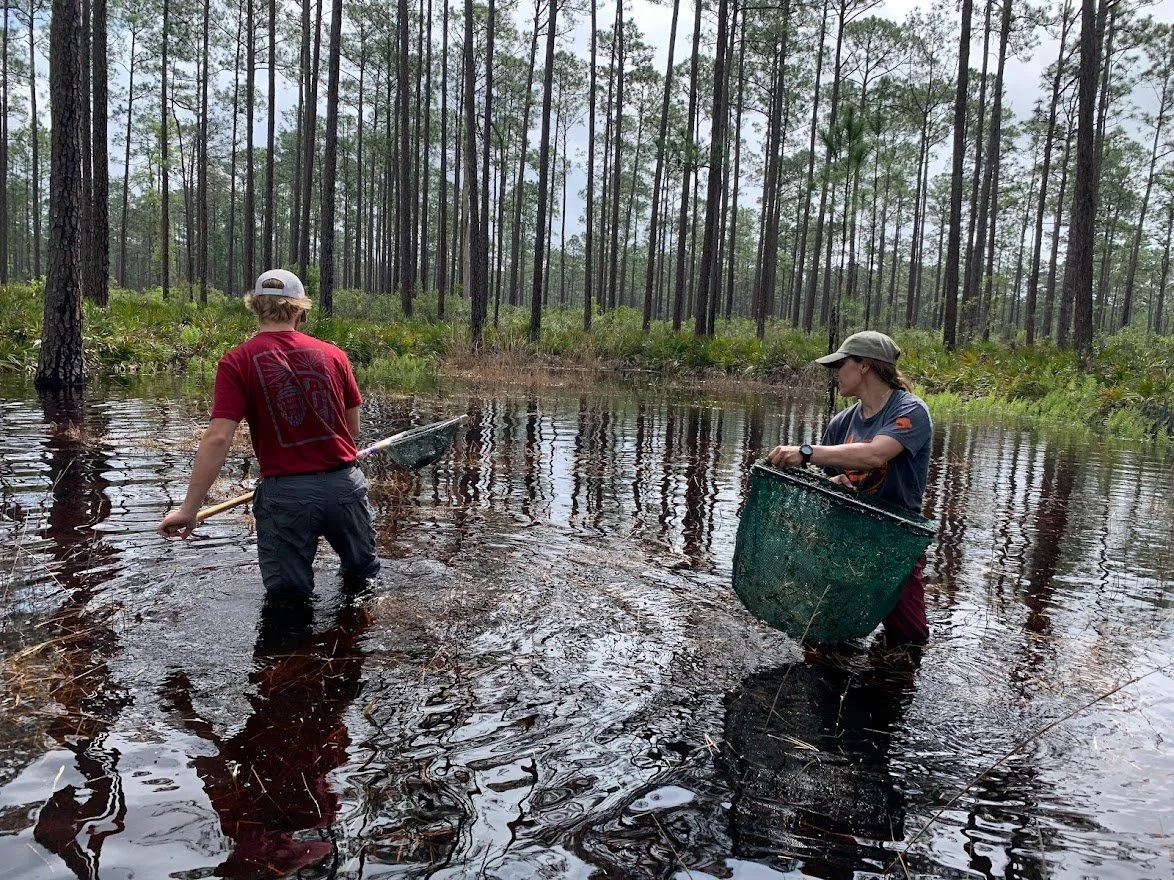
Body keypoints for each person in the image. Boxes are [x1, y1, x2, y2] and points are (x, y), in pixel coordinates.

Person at [156, 268, 380, 596]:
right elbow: (352, 429)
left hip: (286, 497)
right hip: (344, 487)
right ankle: (357, 643)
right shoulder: (335, 356)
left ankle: (294, 648)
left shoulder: (237, 361)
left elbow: (219, 437)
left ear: (255, 307)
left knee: (289, 600)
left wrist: (189, 509)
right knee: (364, 583)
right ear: (299, 309)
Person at [765, 330, 932, 645]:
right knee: (827, 633)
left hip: (895, 544)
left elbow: (875, 454)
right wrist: (833, 483)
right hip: (848, 541)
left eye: (841, 365)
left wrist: (804, 453)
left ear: (865, 365)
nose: (836, 375)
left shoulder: (910, 411)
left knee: (909, 640)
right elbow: (830, 480)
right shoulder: (841, 424)